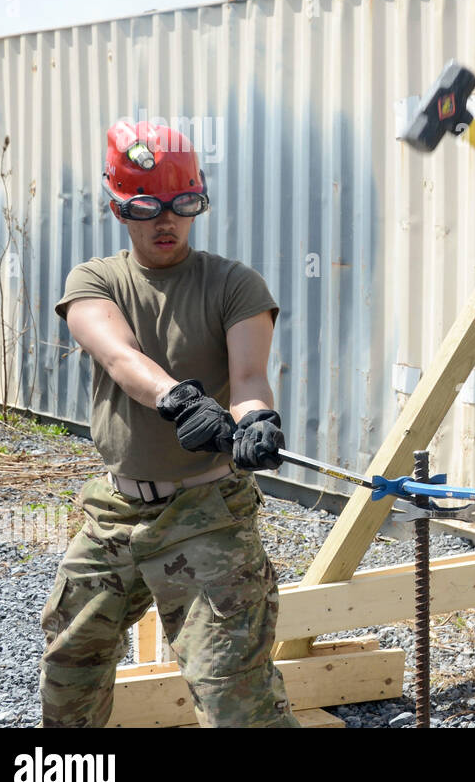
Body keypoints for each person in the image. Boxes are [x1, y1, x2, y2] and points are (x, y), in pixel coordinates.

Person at [41, 119, 298, 728]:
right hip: (115, 510)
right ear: (117, 208)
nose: (166, 221)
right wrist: (180, 400)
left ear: (198, 201)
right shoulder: (95, 280)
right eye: (147, 206)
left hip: (207, 511)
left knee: (236, 694)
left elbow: (249, 379)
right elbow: (119, 354)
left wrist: (256, 422)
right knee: (70, 663)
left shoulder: (233, 283)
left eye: (182, 205)